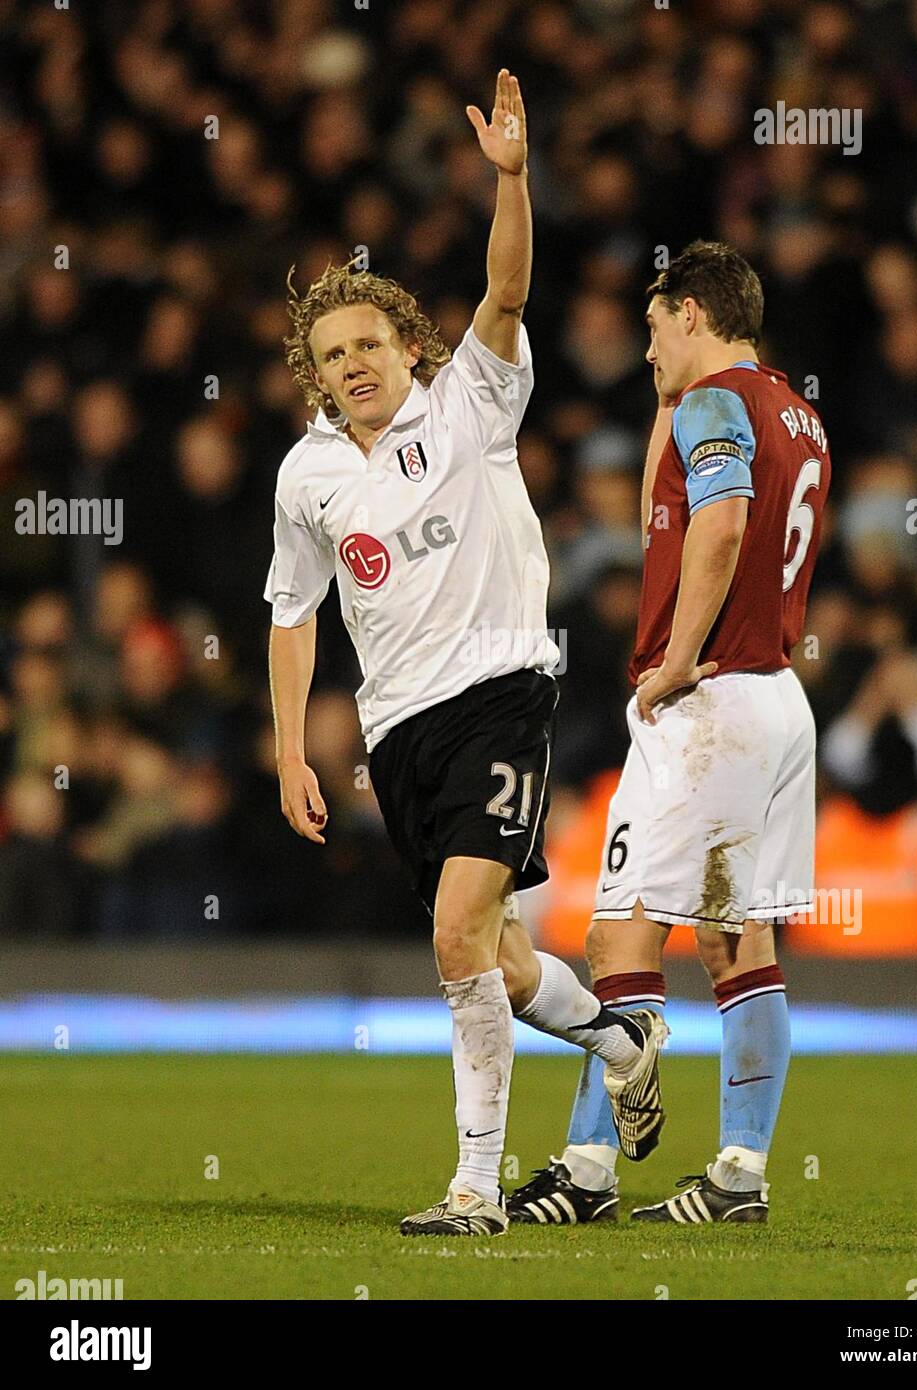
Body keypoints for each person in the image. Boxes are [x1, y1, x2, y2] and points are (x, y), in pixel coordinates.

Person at [264, 70, 664, 1238]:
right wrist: (292, 751)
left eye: (368, 341)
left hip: (499, 694)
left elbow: (504, 286)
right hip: (396, 736)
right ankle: (618, 1035)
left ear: (405, 344)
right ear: (315, 373)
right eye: (330, 352)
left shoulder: (470, 403)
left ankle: (473, 1190)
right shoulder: (307, 477)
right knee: (494, 947)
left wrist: (511, 178)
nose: (352, 363)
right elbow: (292, 616)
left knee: (452, 940)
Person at [508, 240, 832, 1225]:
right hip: (775, 698)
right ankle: (737, 1176)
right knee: (738, 946)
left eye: (654, 328)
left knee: (616, 936)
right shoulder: (795, 413)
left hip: (710, 706)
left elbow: (721, 524)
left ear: (692, 313)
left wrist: (680, 654)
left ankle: (588, 1170)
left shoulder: (712, 403)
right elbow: (679, 507)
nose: (646, 349)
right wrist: (661, 399)